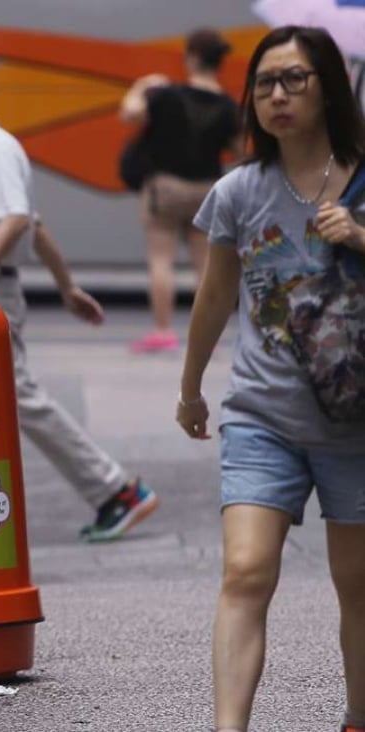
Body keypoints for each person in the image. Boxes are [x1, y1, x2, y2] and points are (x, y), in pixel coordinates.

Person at [178, 26, 365, 732]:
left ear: (328, 89)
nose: (277, 96)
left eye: (294, 80)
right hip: (262, 413)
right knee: (246, 572)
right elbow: (216, 296)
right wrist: (191, 386)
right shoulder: (237, 193)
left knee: (358, 587)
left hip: (356, 420)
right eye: (264, 84)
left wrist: (358, 235)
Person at [0, 59, 158, 542]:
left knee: (16, 398)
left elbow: (14, 220)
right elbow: (35, 225)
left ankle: (116, 490)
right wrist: (66, 286)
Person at [120, 28, 241, 354]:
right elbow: (241, 151)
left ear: (192, 57)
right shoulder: (228, 105)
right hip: (207, 190)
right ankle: (209, 331)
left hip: (166, 190)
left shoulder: (167, 94)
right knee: (205, 265)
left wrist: (142, 85)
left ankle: (162, 331)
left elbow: (129, 114)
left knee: (162, 260)